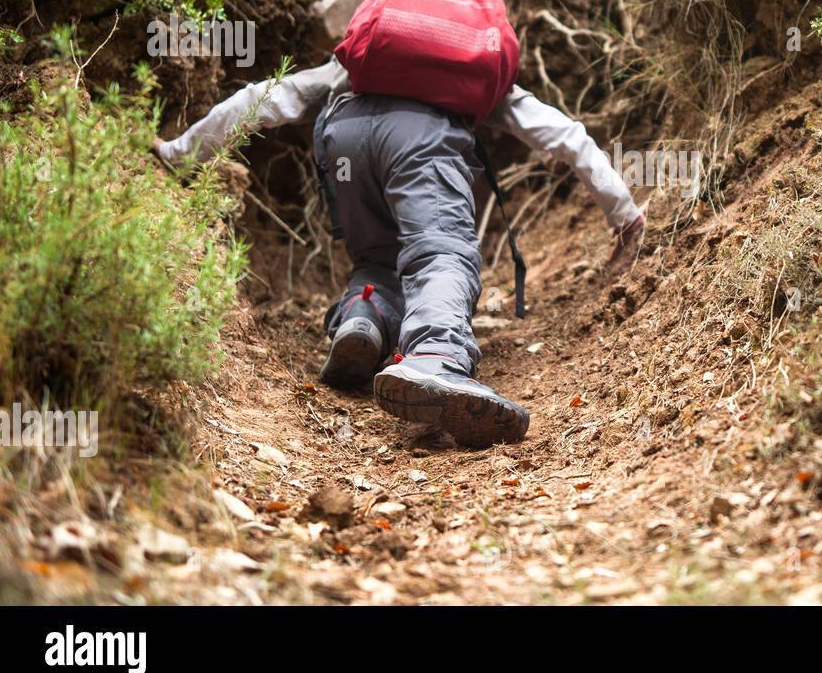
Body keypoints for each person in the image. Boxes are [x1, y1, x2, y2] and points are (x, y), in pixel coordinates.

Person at [154, 53, 645, 447]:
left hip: (344, 138)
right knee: (441, 253)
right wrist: (623, 214)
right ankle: (434, 356)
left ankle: (364, 313)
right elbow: (565, 135)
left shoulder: (361, 59)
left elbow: (263, 99)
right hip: (421, 140)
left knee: (377, 260)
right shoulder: (468, 63)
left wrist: (180, 153)